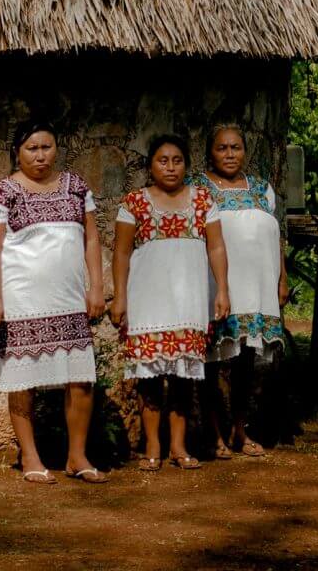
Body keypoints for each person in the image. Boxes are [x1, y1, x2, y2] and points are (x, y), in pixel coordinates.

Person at [0, 119, 106, 483]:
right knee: (22, 380)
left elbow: (92, 240)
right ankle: (31, 457)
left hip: (68, 300)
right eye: (32, 149)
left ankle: (77, 456)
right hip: (22, 302)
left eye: (46, 147)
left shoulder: (76, 188)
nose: (40, 156)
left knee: (81, 378)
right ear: (17, 153)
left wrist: (96, 288)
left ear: (57, 148)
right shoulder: (2, 193)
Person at [111, 132, 230, 471]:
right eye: (163, 160)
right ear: (151, 165)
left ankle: (178, 447)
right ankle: (152, 446)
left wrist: (222, 290)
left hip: (189, 301)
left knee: (181, 377)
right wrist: (119, 296)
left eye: (177, 160)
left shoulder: (204, 201)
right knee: (149, 378)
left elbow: (217, 247)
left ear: (186, 165)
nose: (171, 167)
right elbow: (120, 253)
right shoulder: (133, 202)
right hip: (148, 301)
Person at [194, 122, 290, 458]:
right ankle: (214, 433)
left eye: (235, 147)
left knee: (246, 361)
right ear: (210, 152)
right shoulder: (199, 188)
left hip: (258, 290)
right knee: (211, 361)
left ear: (245, 152)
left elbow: (275, 237)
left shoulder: (262, 188)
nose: (230, 154)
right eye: (222, 148)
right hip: (218, 287)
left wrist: (282, 279)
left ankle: (239, 429)